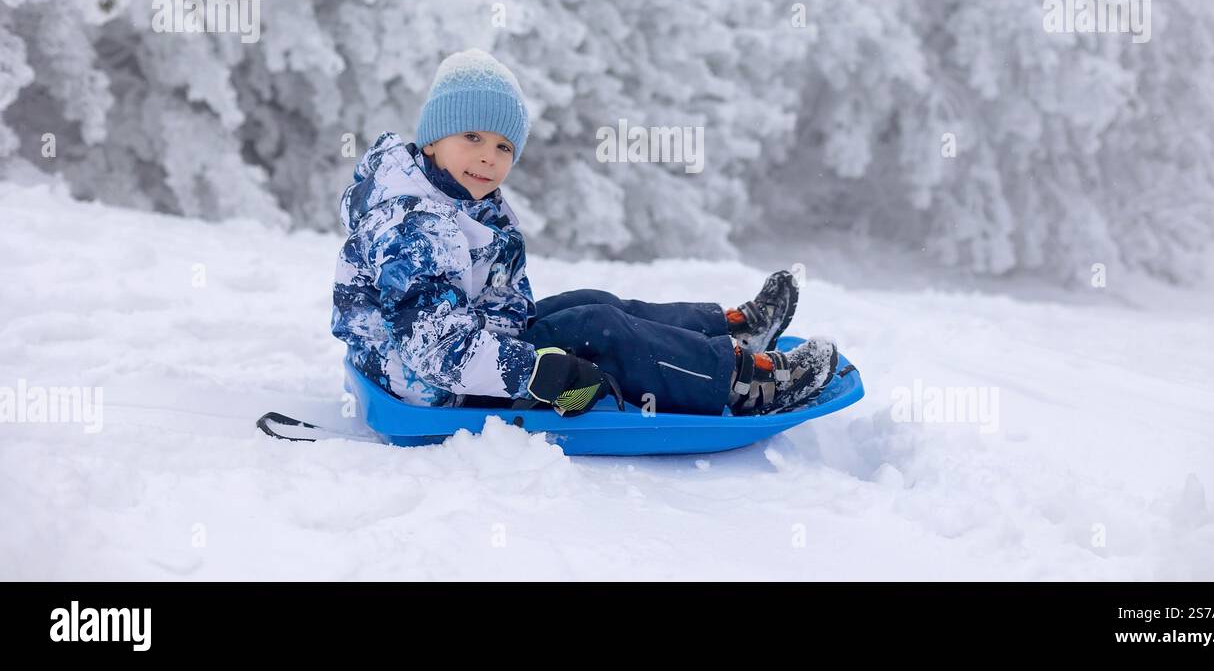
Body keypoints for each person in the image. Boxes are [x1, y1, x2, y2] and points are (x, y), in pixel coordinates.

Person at [330, 48, 838, 418]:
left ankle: (729, 331)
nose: (489, 156)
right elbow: (434, 346)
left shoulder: (447, 192)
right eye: (473, 137)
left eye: (505, 147)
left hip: (464, 347)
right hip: (429, 382)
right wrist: (536, 372)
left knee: (592, 302)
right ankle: (743, 383)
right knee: (601, 330)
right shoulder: (414, 222)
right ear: (433, 138)